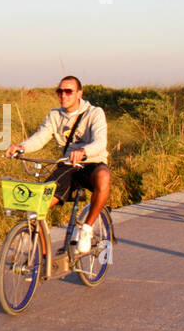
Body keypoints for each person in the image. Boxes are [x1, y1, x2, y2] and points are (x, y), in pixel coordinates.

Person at [6, 75, 110, 254]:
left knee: (104, 177)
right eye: (60, 91)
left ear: (79, 93)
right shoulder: (54, 115)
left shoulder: (94, 113)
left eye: (68, 91)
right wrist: (21, 147)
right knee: (38, 206)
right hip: (68, 166)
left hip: (91, 163)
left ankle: (86, 229)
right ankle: (43, 260)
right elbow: (40, 137)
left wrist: (84, 152)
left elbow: (100, 142)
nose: (63, 95)